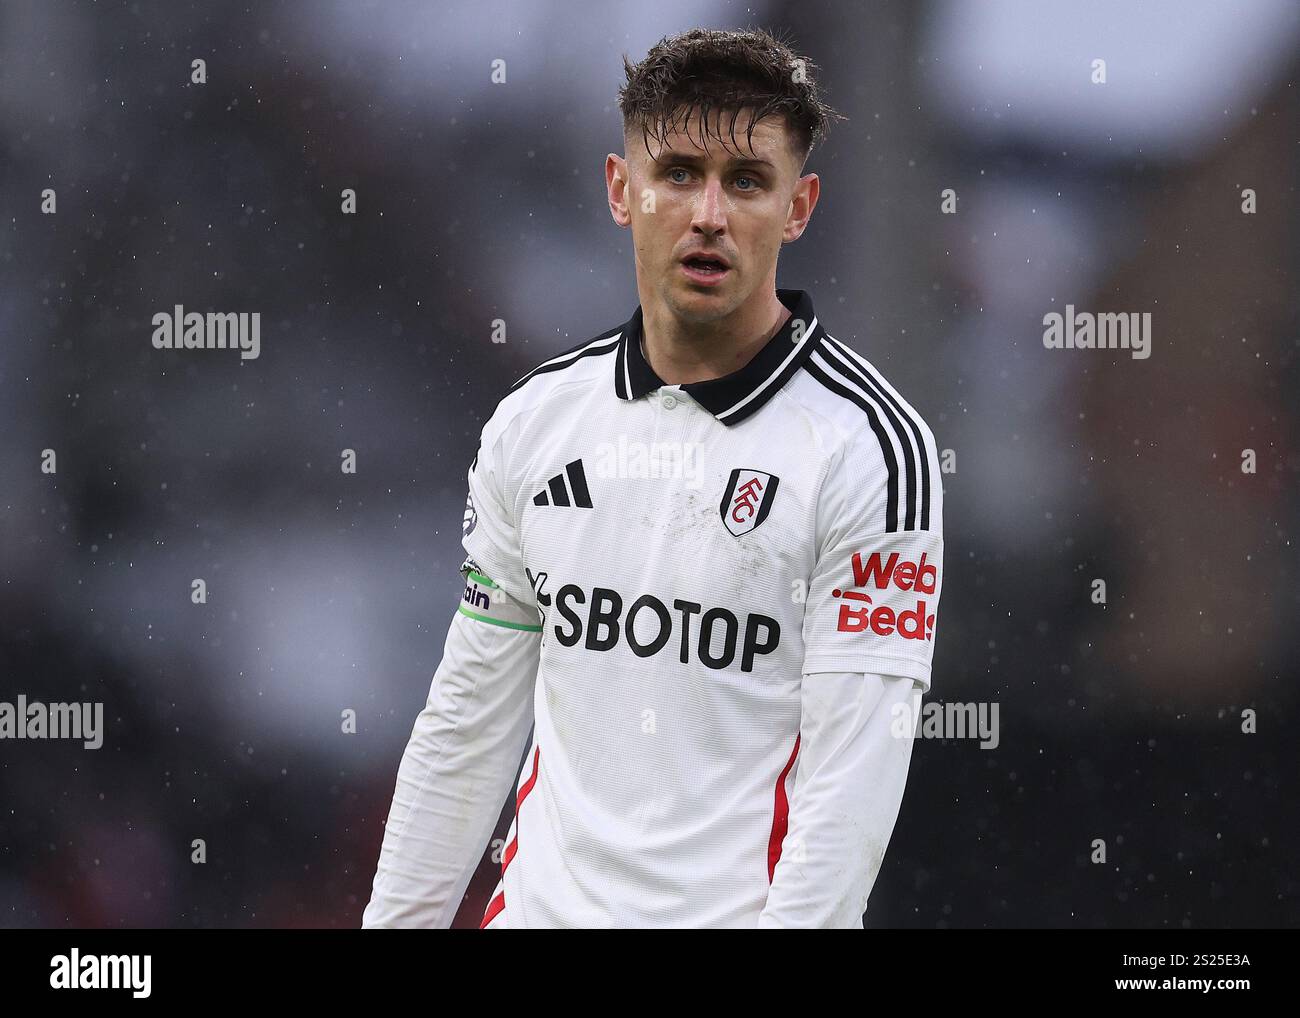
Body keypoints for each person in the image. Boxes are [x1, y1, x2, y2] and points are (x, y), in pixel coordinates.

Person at [363, 26, 944, 929]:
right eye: (677, 173)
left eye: (747, 182)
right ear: (620, 190)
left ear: (799, 207)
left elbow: (849, 785)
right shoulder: (534, 424)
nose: (709, 213)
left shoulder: (870, 450)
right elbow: (466, 729)